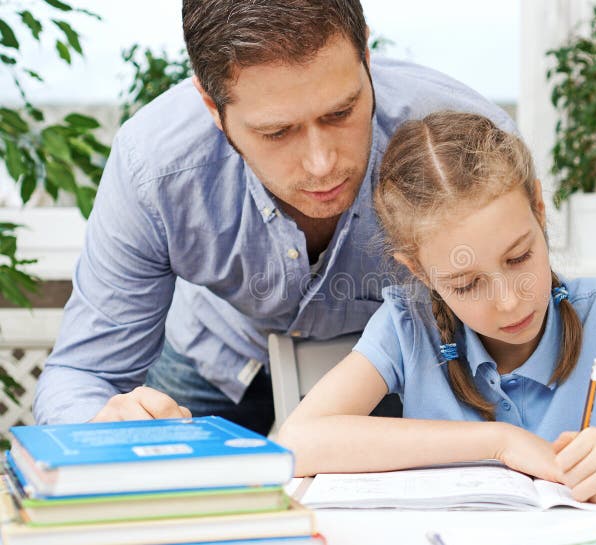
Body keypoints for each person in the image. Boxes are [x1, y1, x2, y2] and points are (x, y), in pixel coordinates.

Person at [32, 1, 515, 433]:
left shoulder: (462, 139)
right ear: (212, 107)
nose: (322, 163)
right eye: (278, 132)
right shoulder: (154, 167)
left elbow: (519, 320)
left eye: (341, 112)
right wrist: (98, 424)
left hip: (390, 366)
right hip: (215, 351)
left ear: (366, 57)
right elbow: (84, 374)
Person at [277, 111, 596, 503]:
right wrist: (500, 441)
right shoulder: (406, 325)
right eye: (465, 284)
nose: (509, 301)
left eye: (520, 256)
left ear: (539, 208)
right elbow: (299, 440)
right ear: (419, 271)